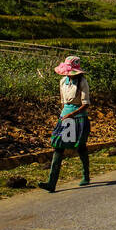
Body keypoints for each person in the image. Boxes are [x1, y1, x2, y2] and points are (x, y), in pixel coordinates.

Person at [38, 55, 91, 192]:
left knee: (80, 147)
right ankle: (52, 182)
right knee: (58, 147)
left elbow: (85, 104)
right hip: (65, 118)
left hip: (78, 118)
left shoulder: (82, 82)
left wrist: (72, 114)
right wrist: (64, 115)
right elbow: (63, 101)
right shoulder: (62, 82)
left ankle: (86, 175)